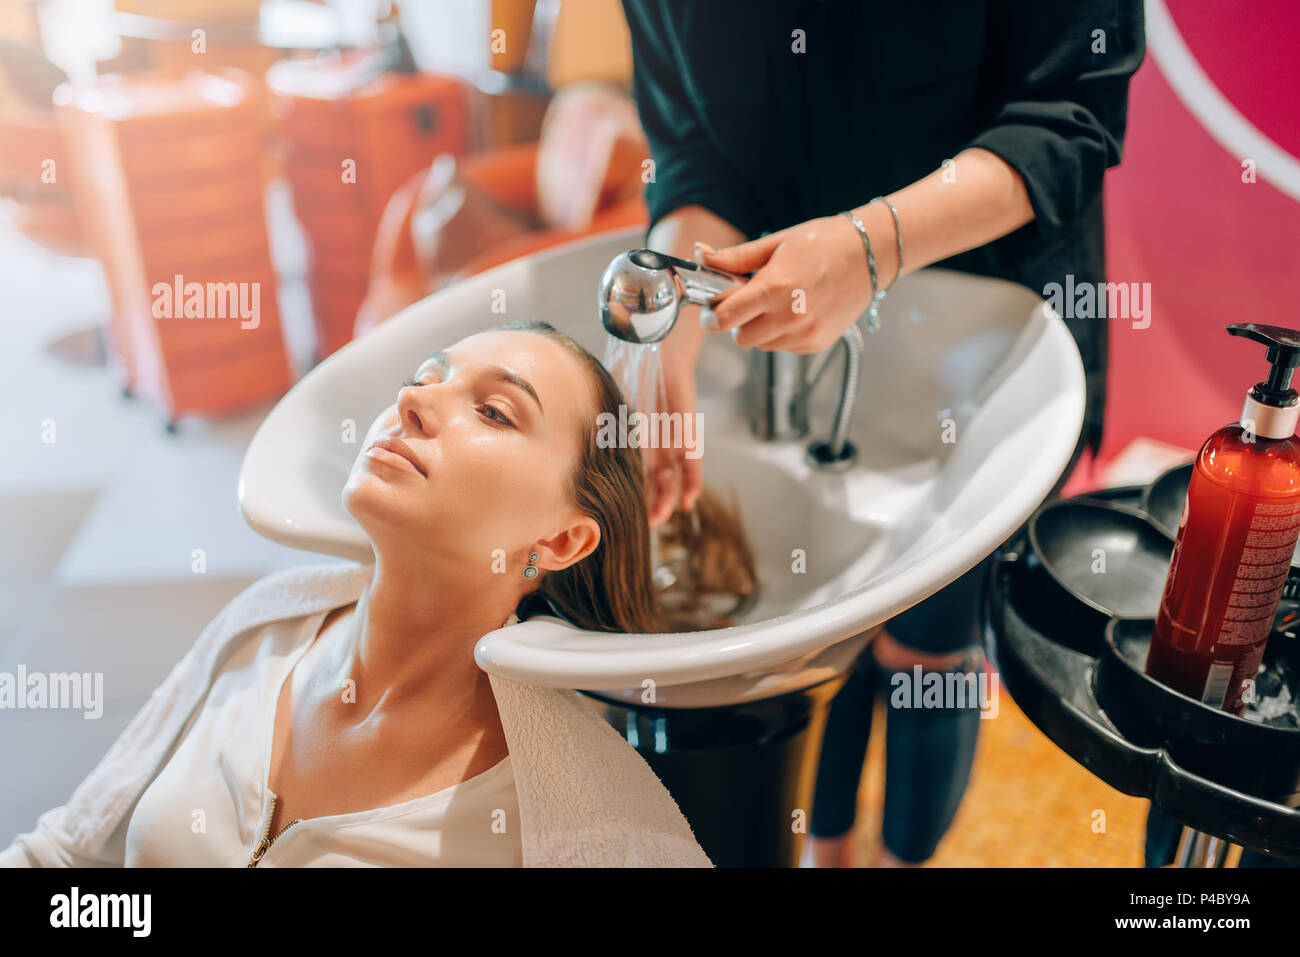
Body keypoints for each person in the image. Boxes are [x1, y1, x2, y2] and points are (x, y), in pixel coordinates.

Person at [619, 0, 1145, 865]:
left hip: (983, 350)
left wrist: (872, 247)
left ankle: (907, 856)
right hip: (786, 357)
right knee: (816, 647)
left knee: (925, 652)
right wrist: (671, 300)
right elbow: (693, 154)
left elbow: (1070, 112)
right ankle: (827, 848)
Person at [1, 321, 712, 867]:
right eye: (425, 377)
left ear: (561, 542)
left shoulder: (583, 815)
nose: (414, 400)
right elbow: (68, 854)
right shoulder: (269, 621)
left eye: (494, 411)